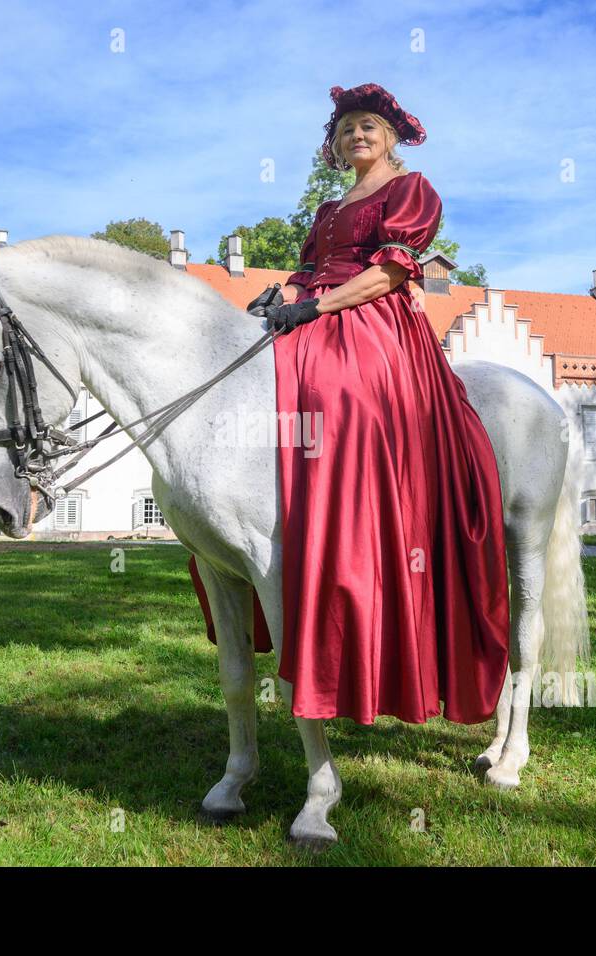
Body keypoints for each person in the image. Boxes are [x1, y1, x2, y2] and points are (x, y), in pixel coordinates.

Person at [189, 83, 510, 727]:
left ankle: (362, 513)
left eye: (368, 126)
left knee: (341, 387)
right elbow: (312, 269)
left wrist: (315, 306)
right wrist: (282, 297)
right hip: (317, 309)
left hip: (376, 319)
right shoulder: (329, 208)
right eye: (345, 130)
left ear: (391, 136)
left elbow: (392, 272)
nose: (356, 136)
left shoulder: (411, 190)